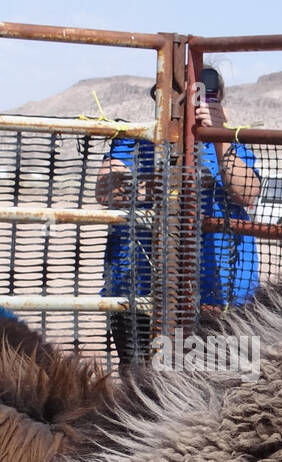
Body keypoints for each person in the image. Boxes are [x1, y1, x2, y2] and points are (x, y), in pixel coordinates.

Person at [96, 68, 261, 371]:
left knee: (221, 386)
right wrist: (159, 183)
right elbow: (106, 191)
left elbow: (248, 192)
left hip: (222, 299)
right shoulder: (134, 139)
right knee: (141, 388)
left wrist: (220, 135)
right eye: (181, 94)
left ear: (218, 99)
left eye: (202, 94)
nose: (191, 102)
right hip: (140, 295)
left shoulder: (233, 144)